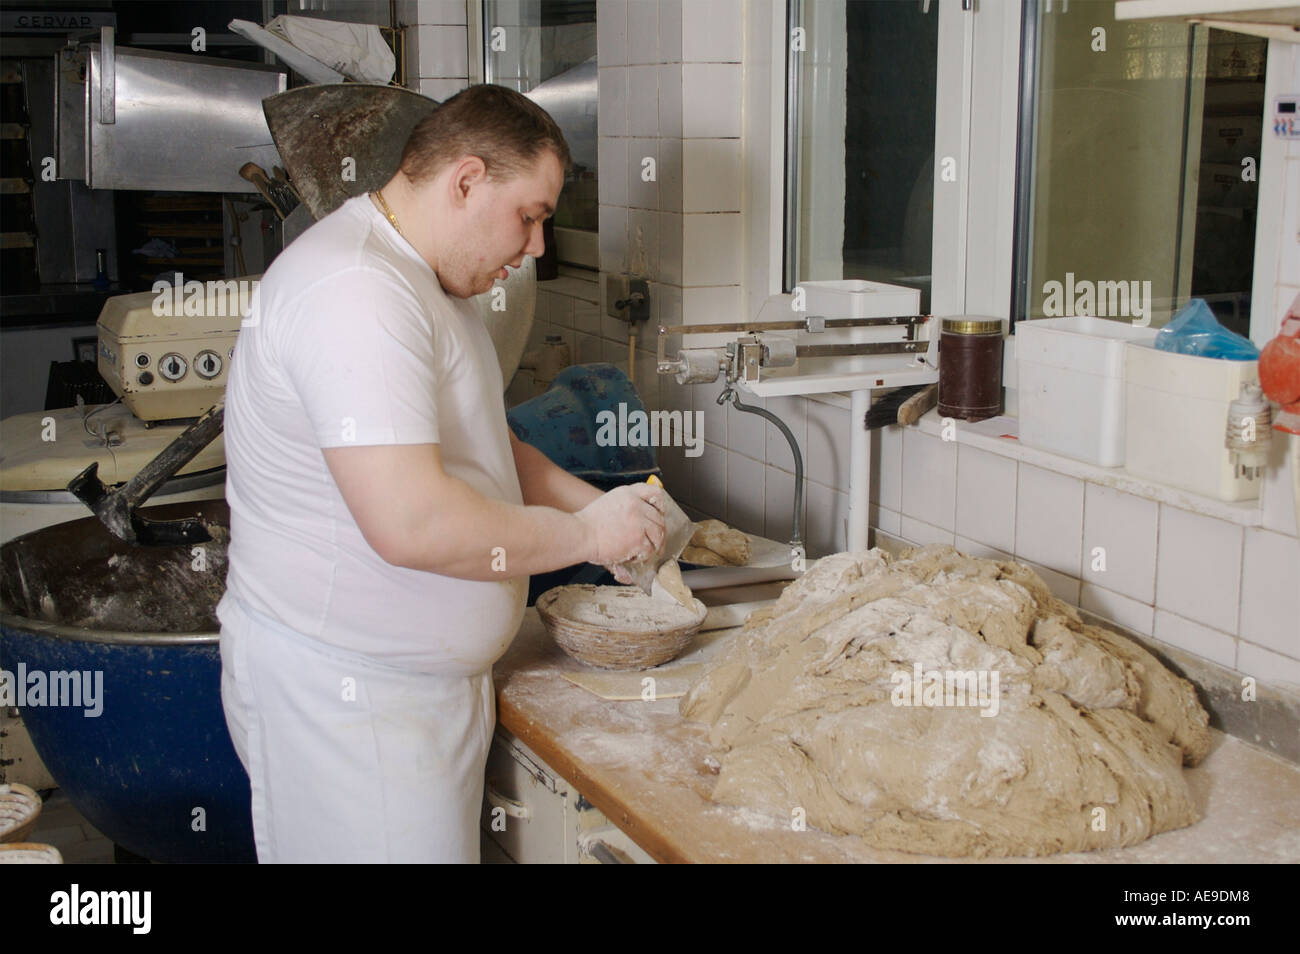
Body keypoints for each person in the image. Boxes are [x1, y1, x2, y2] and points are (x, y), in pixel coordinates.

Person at [216, 84, 666, 863]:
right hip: (350, 708)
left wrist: (605, 509)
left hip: (411, 695)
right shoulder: (356, 292)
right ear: (465, 181)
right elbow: (411, 521)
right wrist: (585, 534)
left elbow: (488, 451)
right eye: (529, 215)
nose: (534, 248)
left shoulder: (423, 280)